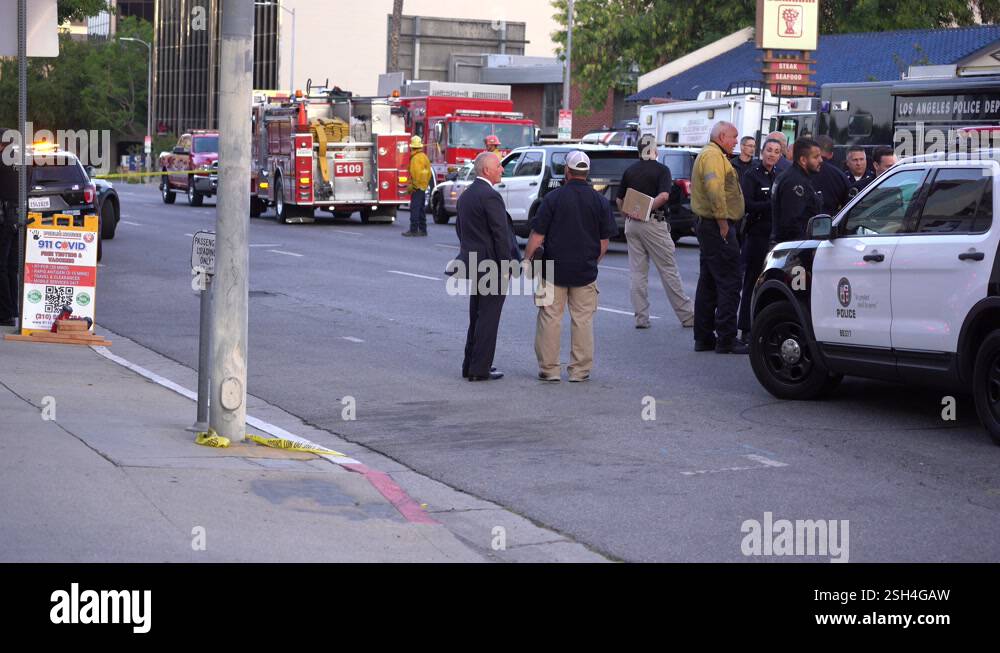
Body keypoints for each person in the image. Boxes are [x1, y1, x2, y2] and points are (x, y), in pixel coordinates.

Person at [525, 151, 616, 382]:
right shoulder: (600, 202)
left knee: (549, 318)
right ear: (586, 173)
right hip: (584, 271)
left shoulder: (553, 199)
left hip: (551, 270)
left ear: (567, 171)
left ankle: (549, 369)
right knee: (583, 320)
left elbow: (537, 237)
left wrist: (527, 263)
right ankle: (579, 371)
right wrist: (591, 261)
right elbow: (604, 242)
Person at [616, 133, 694, 330]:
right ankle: (687, 316)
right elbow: (664, 196)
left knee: (637, 272)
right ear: (654, 149)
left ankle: (641, 318)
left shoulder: (630, 171)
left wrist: (630, 212)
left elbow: (619, 200)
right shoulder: (662, 170)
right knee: (668, 270)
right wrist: (645, 210)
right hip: (653, 222)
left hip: (631, 224)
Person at [455, 152, 518, 381]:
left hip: (474, 261)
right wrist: (506, 265)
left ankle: (470, 365)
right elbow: (500, 234)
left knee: (478, 315)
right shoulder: (490, 196)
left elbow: (460, 231)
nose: (502, 169)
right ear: (486, 170)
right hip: (492, 265)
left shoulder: (466, 195)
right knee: (489, 318)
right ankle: (480, 369)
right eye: (499, 166)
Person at [690, 121, 747, 354]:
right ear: (722, 136)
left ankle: (703, 337)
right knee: (730, 281)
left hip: (710, 226)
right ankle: (726, 338)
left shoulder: (713, 154)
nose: (736, 142)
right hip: (717, 226)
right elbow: (714, 189)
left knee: (710, 282)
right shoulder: (713, 156)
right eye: (734, 137)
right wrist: (723, 222)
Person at [737, 138, 783, 343]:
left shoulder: (780, 176)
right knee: (752, 282)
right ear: (762, 152)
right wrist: (771, 205)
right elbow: (746, 204)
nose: (772, 154)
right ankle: (746, 329)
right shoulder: (751, 175)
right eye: (769, 150)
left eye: (776, 151)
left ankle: (766, 327)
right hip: (757, 235)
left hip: (776, 236)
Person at [771, 137, 823, 244]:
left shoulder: (796, 176)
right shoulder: (794, 182)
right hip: (794, 246)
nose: (821, 160)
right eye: (816, 157)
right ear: (803, 160)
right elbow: (791, 222)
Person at [812, 135, 850, 215]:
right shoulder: (840, 176)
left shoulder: (801, 171)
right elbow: (847, 206)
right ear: (831, 154)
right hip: (829, 222)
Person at [402, 135, 432, 237]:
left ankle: (413, 229)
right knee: (421, 209)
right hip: (423, 187)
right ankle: (423, 230)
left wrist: (414, 186)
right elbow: (428, 173)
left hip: (417, 187)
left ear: (412, 147)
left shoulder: (415, 158)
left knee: (415, 208)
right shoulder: (424, 157)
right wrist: (424, 184)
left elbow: (415, 174)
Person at [0, 199, 18, 327]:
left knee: (2, 268)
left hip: (5, 219)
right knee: (10, 269)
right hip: (13, 215)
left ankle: (6, 313)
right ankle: (11, 312)